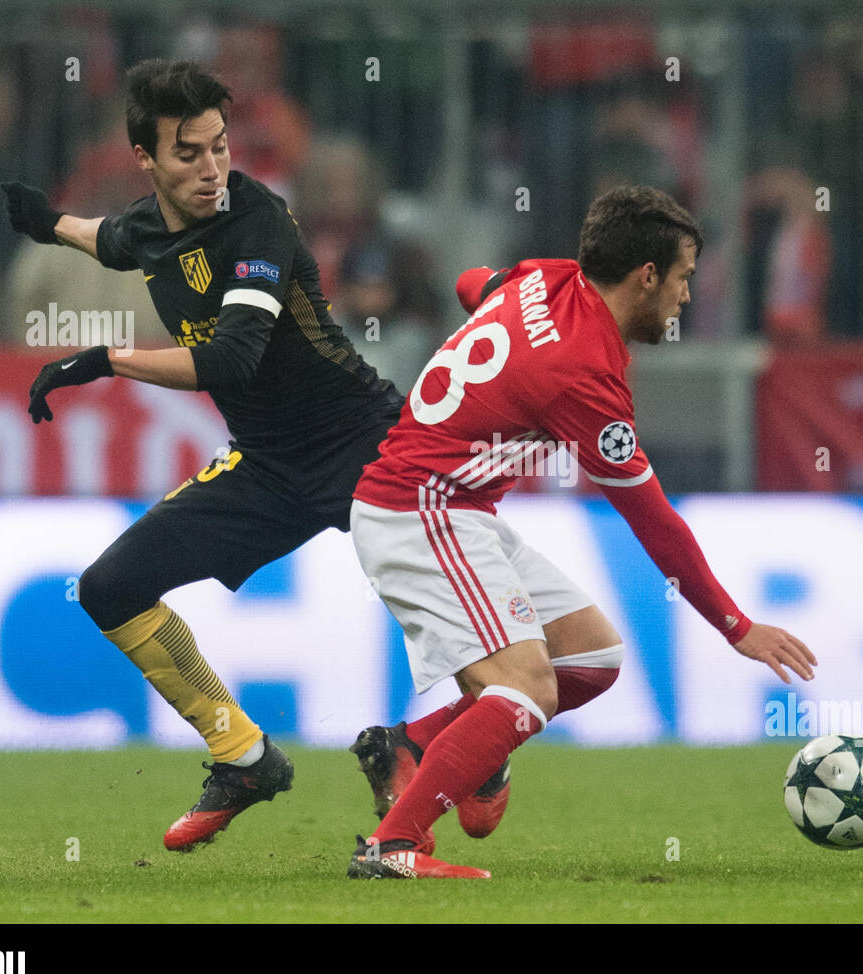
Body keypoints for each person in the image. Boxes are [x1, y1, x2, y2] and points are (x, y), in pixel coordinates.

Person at [346, 185, 818, 879]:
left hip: (458, 506)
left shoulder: (545, 277)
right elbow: (652, 518)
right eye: (684, 277)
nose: (687, 296)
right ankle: (393, 847)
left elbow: (472, 283)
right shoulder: (584, 375)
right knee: (526, 689)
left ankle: (410, 745)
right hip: (422, 510)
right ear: (646, 276)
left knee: (591, 659)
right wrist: (735, 624)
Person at [0, 59, 402, 851]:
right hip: (270, 465)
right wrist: (45, 223)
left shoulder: (259, 222)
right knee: (112, 588)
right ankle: (242, 755)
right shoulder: (151, 224)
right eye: (190, 153)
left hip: (366, 445)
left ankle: (462, 752)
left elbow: (231, 359)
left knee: (447, 618)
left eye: (221, 146)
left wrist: (104, 359)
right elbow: (112, 239)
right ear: (144, 159)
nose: (214, 169)